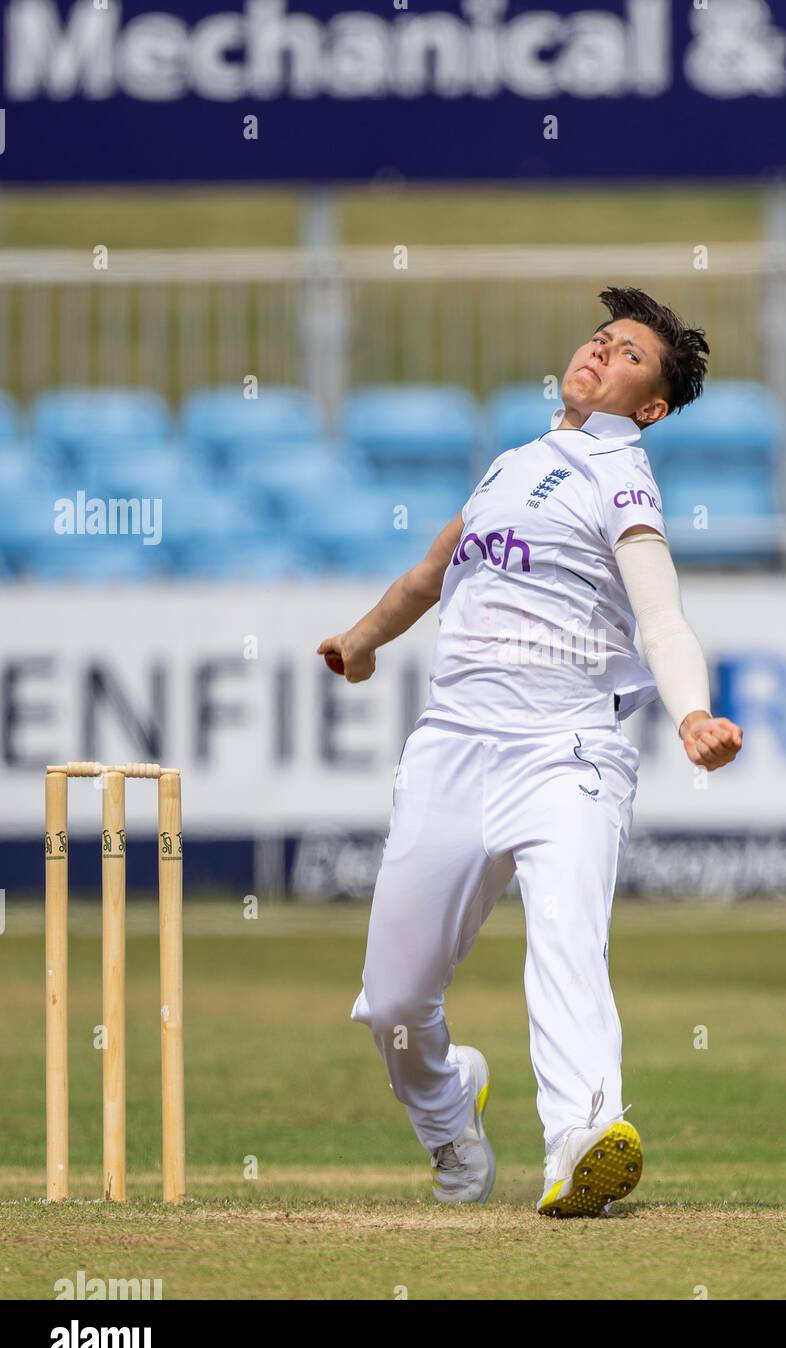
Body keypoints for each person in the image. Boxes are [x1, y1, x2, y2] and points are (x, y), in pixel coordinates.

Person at [317, 286, 742, 1218]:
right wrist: (360, 640)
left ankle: (583, 1136)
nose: (603, 349)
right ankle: (447, 1110)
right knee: (393, 1005)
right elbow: (427, 577)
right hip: (453, 751)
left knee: (566, 940)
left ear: (650, 407)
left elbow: (660, 613)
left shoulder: (618, 472)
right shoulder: (510, 464)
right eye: (602, 337)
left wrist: (692, 713)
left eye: (629, 353)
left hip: (568, 749)